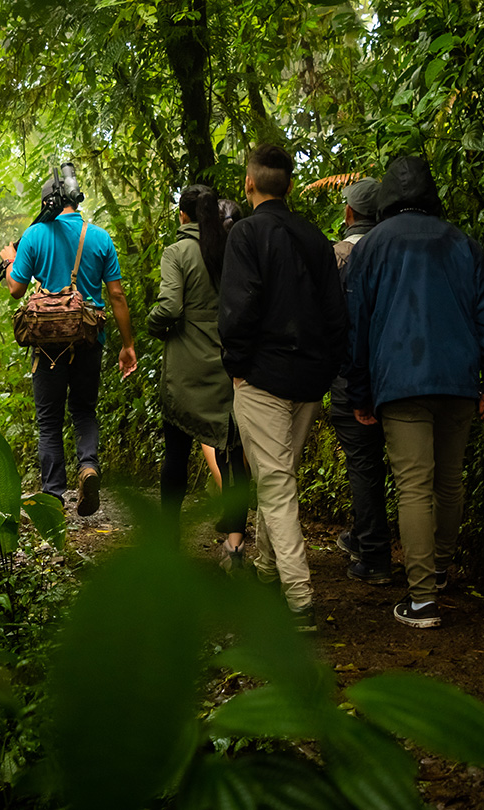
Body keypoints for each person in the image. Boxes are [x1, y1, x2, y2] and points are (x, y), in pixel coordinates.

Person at [345, 156, 484, 629]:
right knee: (449, 481)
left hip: (400, 382)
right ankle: (437, 570)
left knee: (414, 485)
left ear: (388, 200)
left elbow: (356, 324)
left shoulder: (372, 247)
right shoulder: (463, 243)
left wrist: (359, 390)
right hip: (459, 379)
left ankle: (421, 601)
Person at [219, 145, 348, 630]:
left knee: (275, 484)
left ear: (249, 184)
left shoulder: (246, 235)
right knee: (280, 474)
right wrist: (325, 368)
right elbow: (337, 315)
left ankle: (300, 600)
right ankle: (266, 570)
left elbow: (239, 308)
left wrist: (235, 364)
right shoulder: (315, 238)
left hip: (262, 378)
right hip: (308, 380)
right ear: (290, 186)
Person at [2, 168, 138, 517]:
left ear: (49, 201)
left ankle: (52, 495)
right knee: (83, 410)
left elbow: (16, 289)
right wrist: (128, 345)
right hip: (89, 338)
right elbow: (117, 295)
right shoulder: (100, 238)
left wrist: (9, 262)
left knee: (49, 420)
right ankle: (88, 467)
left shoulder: (34, 236)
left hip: (46, 345)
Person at [147, 185, 249, 563]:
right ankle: (236, 546)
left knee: (175, 455)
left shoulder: (177, 252)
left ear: (183, 216)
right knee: (233, 457)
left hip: (185, 371)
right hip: (227, 368)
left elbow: (170, 307)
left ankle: (169, 543)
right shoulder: (229, 250)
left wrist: (152, 325)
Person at [327, 178, 393, 584]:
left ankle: (375, 554)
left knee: (364, 464)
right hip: (399, 371)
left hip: (349, 373)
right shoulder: (397, 250)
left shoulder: (336, 256)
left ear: (349, 213)